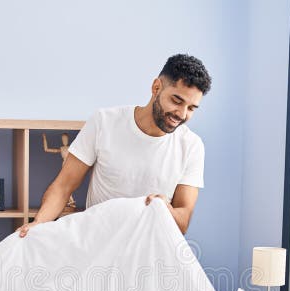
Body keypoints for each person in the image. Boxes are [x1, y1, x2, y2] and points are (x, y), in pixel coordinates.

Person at [18, 53, 211, 237]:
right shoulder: (104, 122)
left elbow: (183, 221)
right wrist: (39, 223)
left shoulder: (191, 146)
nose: (182, 114)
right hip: (97, 242)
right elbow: (63, 186)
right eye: (176, 101)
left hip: (150, 247)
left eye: (192, 108)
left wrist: (164, 209)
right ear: (156, 87)